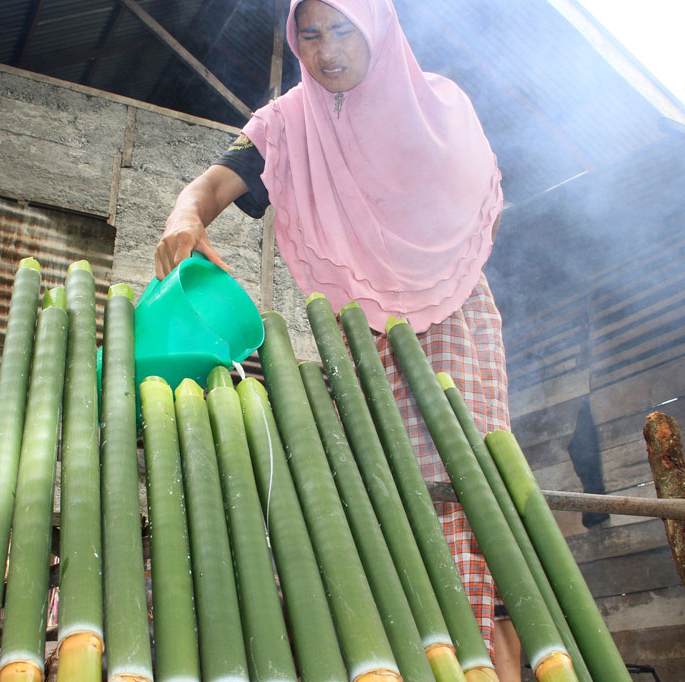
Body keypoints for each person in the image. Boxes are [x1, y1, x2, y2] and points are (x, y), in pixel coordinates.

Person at [155, 0, 521, 678]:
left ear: (377, 27)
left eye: (343, 29)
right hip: (360, 334)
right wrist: (184, 215)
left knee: (463, 488)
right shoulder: (289, 125)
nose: (328, 51)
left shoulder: (439, 106)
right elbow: (213, 182)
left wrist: (422, 275)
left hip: (452, 318)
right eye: (311, 34)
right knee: (382, 496)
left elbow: (475, 209)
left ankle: (474, 663)